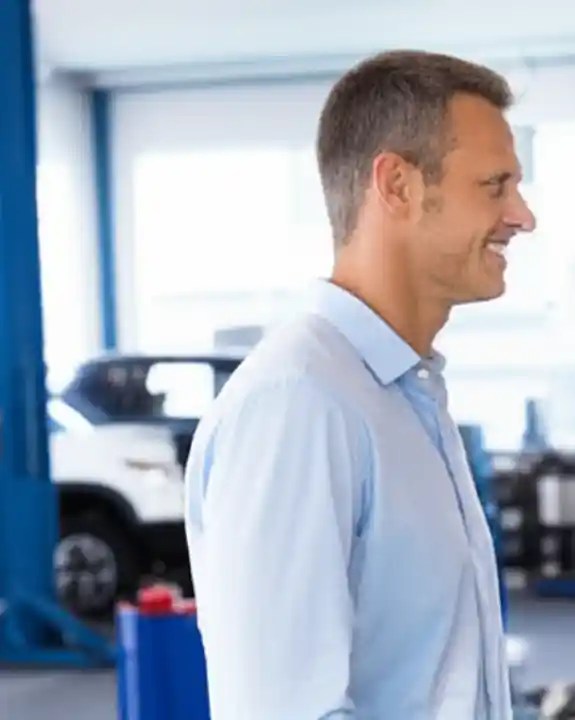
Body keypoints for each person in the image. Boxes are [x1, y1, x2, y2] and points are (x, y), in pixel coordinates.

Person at [183, 50, 535, 719]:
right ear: (397, 185)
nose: (522, 216)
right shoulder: (301, 403)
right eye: (495, 186)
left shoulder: (405, 393)